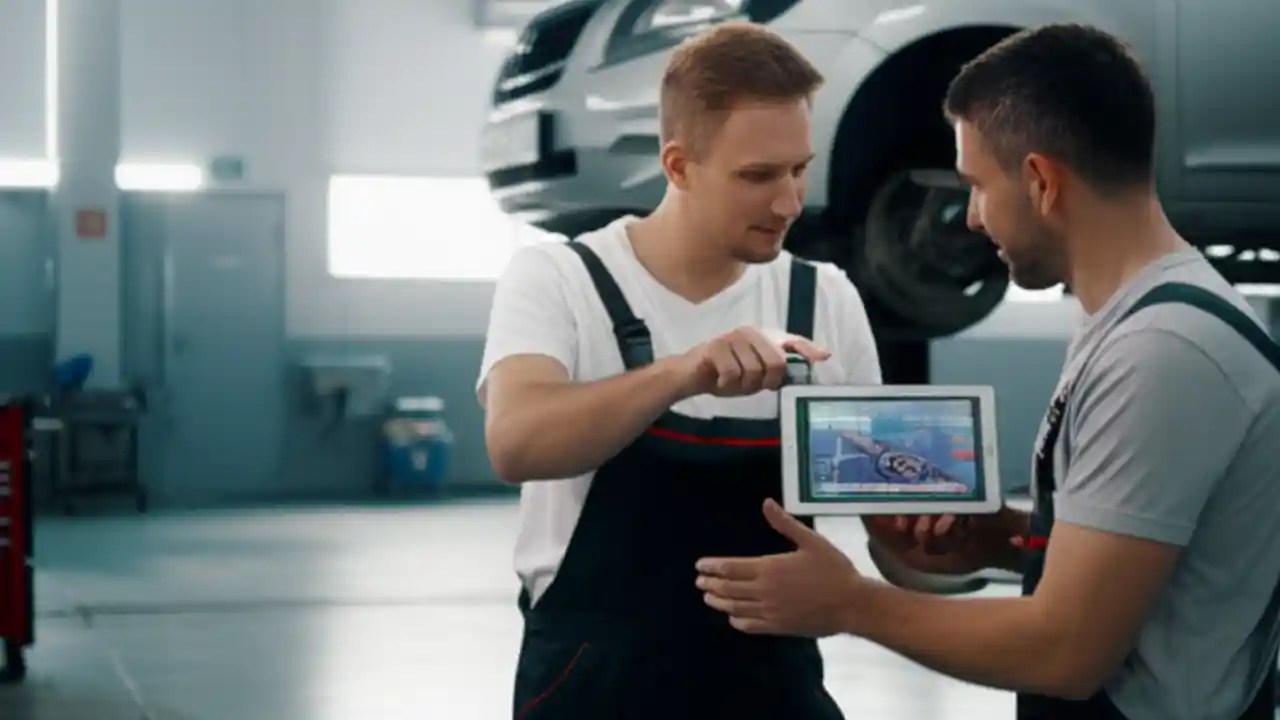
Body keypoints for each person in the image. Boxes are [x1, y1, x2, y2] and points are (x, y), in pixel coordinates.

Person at [694, 22, 1280, 720]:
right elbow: (1156, 556)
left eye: (975, 184)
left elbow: (1065, 652)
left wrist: (849, 603)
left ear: (1039, 182)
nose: (970, 216)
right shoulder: (1135, 323)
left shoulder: (1167, 352)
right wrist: (1006, 536)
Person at [476, 21, 882, 720]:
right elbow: (517, 442)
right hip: (592, 688)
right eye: (758, 176)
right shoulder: (559, 278)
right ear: (678, 165)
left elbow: (893, 532)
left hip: (770, 689)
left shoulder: (826, 299)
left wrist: (943, 537)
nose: (789, 202)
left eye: (798, 169)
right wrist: (683, 371)